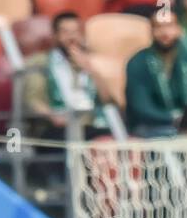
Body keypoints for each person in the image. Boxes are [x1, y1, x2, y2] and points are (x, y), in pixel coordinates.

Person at [23, 12, 120, 140]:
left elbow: (108, 101)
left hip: (91, 125)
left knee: (117, 139)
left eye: (76, 32)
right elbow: (32, 101)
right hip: (57, 128)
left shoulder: (89, 63)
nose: (71, 37)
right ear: (55, 35)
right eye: (65, 32)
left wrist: (90, 70)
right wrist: (54, 117)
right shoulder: (40, 62)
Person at [124, 10, 187, 138]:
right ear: (151, 31)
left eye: (170, 26)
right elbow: (140, 107)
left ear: (178, 29)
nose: (165, 33)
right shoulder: (138, 62)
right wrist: (175, 119)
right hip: (151, 126)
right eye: (159, 27)